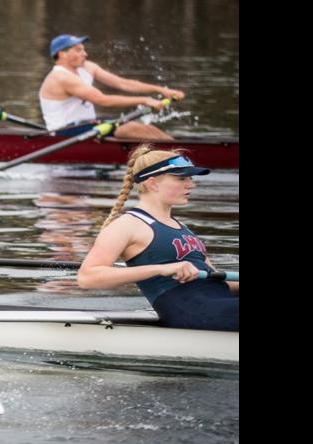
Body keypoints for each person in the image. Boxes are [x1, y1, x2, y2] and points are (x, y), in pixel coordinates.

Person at [77, 146, 238, 330]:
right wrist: (162, 269)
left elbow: (217, 281)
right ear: (153, 183)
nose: (191, 184)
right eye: (182, 178)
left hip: (218, 301)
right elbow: (87, 277)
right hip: (191, 310)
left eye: (191, 178)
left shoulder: (182, 227)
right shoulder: (127, 225)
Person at [38, 34, 183, 141]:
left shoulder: (87, 67)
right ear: (62, 54)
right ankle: (180, 153)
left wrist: (162, 90)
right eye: (78, 50)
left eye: (83, 49)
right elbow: (103, 100)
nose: (85, 54)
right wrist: (145, 100)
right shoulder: (61, 77)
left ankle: (178, 148)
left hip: (88, 125)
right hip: (64, 132)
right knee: (130, 128)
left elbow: (123, 83)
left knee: (145, 129)